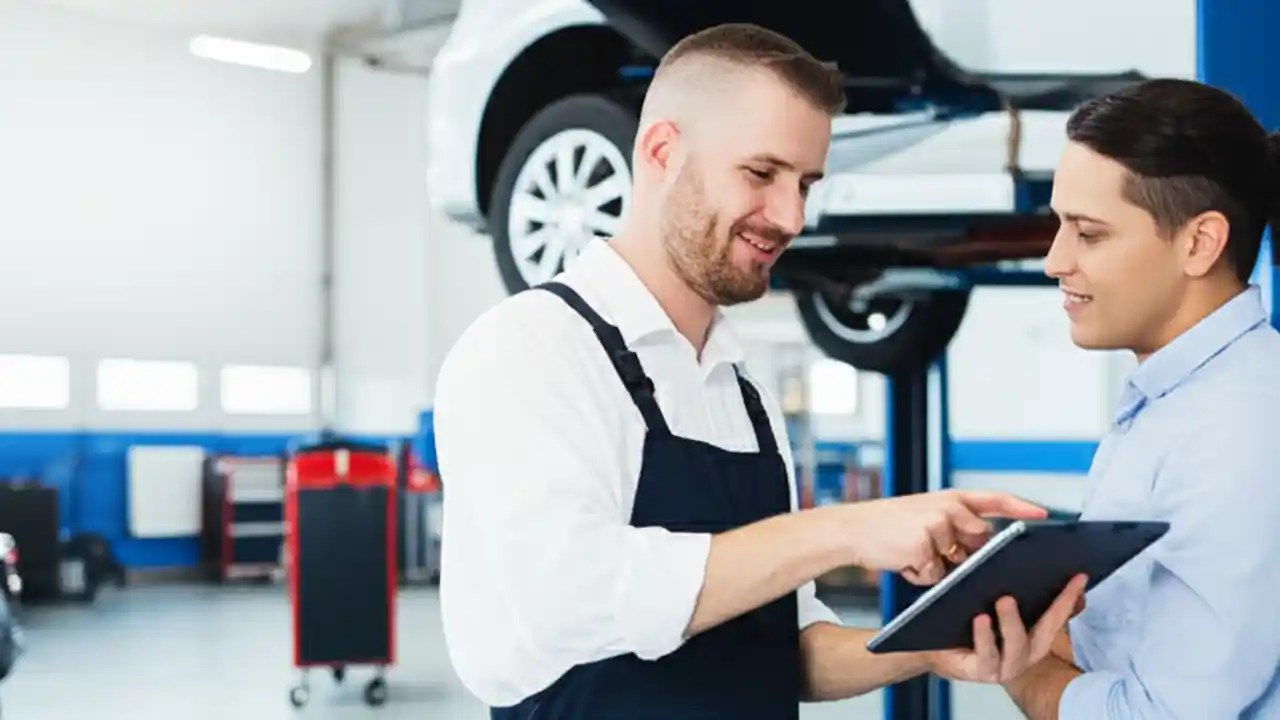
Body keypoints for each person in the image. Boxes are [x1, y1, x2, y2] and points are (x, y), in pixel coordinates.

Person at [433, 23, 1086, 719]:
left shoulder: (740, 393)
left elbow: (782, 643)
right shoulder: (530, 349)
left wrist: (928, 645)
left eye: (805, 183)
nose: (792, 216)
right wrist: (844, 530)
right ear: (661, 151)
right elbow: (567, 602)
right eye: (761, 173)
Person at [1000, 78, 1280, 718]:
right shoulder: (1175, 404)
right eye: (1058, 226)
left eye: (1088, 234)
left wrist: (1023, 671)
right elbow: (1128, 643)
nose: (1053, 260)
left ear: (1199, 243)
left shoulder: (1237, 429)